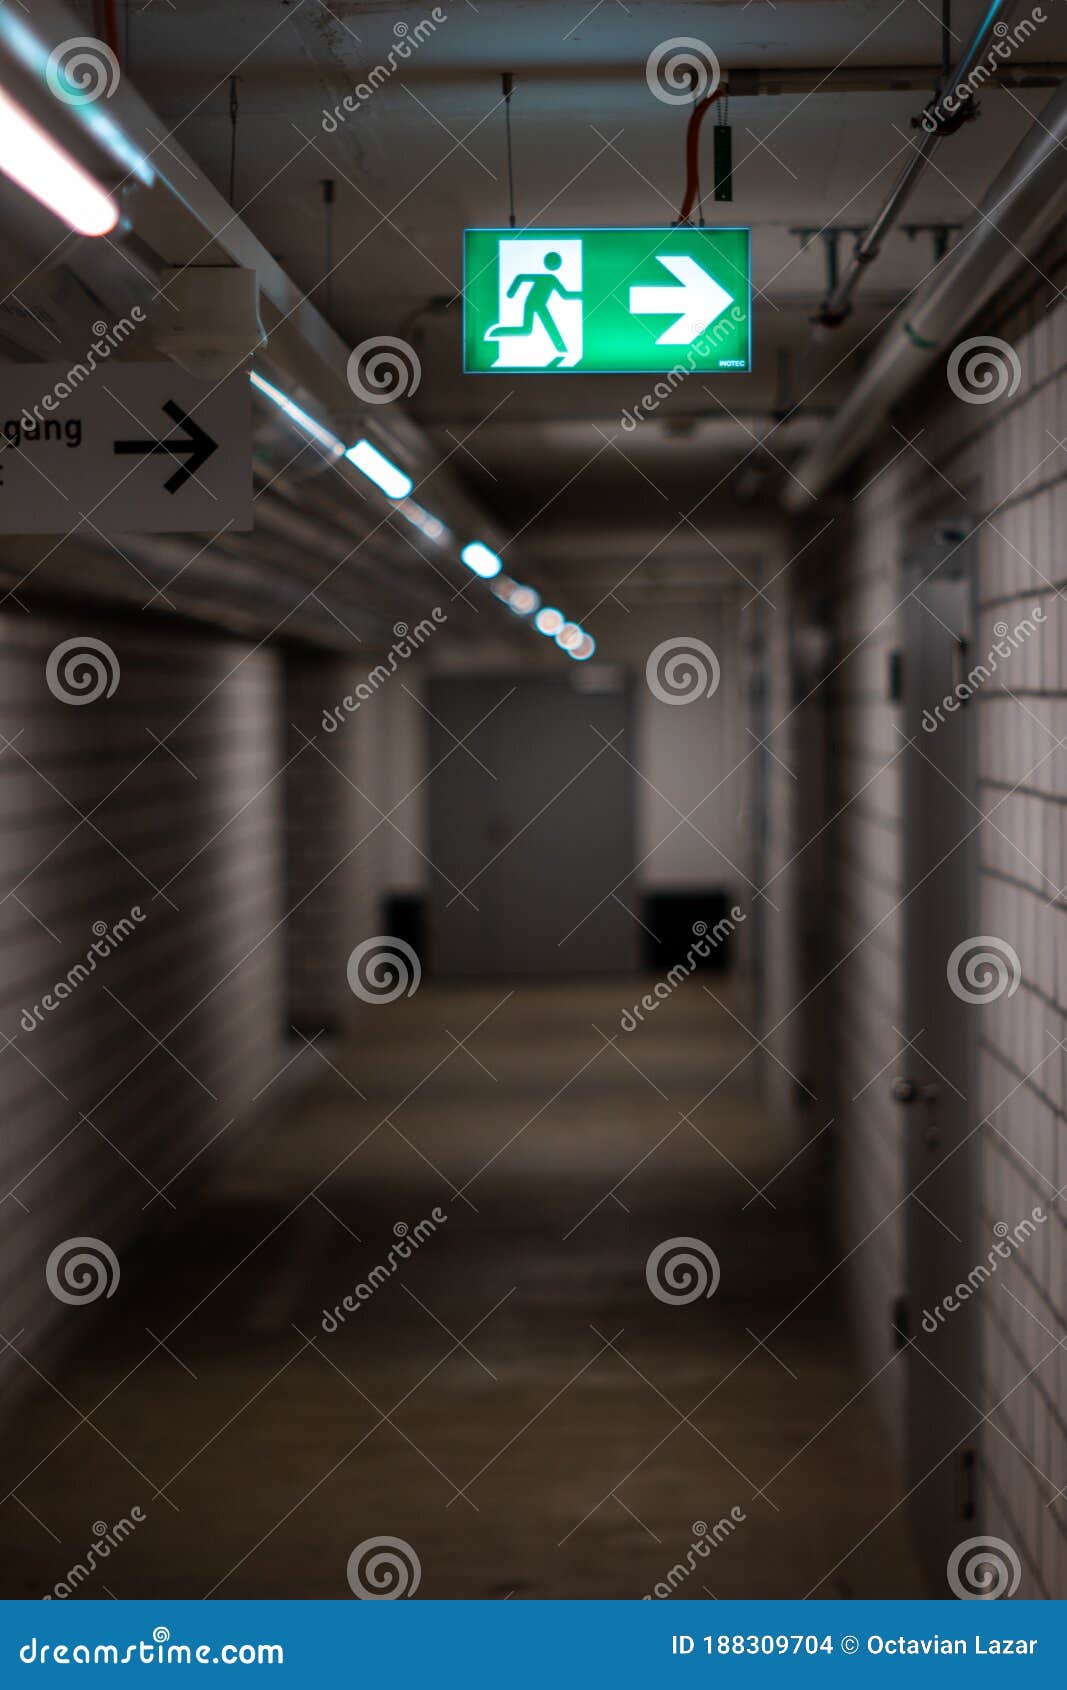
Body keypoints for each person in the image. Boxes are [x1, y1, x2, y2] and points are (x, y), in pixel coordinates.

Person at [485, 252, 580, 364]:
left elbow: (565, 294)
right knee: (527, 329)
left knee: (529, 329)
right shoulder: (546, 277)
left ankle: (562, 350)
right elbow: (521, 277)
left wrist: (582, 294)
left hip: (540, 305)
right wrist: (512, 292)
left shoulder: (552, 279)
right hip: (531, 303)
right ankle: (497, 332)